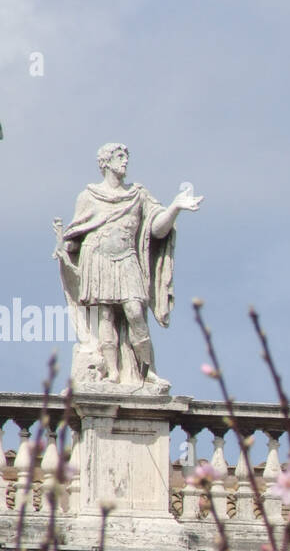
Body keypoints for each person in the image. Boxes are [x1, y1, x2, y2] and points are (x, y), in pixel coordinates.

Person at [54, 143, 203, 393]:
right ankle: (112, 373)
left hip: (127, 257)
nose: (125, 161)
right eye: (119, 157)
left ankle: (147, 370)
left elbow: (157, 229)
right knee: (105, 316)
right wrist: (65, 248)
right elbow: (76, 232)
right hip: (97, 257)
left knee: (135, 312)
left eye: (126, 157)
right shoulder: (89, 196)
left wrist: (175, 207)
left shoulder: (138, 194)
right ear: (105, 163)